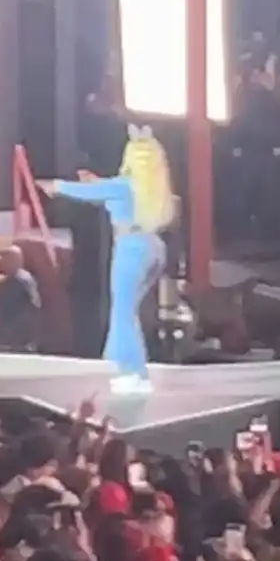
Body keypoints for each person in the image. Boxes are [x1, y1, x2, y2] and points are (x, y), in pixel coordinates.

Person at [39, 127, 175, 394]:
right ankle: (124, 365)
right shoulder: (150, 188)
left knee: (123, 313)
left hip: (131, 249)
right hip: (153, 247)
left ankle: (131, 371)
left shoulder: (124, 186)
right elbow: (109, 190)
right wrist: (96, 182)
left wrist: (56, 186)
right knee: (126, 311)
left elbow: (97, 192)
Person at [0, 246, 41, 351]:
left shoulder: (23, 281)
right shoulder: (6, 283)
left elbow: (33, 308)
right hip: (5, 336)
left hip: (18, 340)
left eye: (5, 259)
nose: (0, 262)